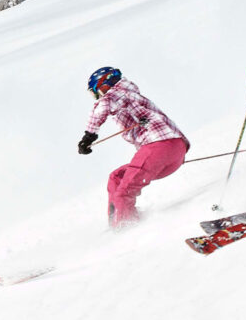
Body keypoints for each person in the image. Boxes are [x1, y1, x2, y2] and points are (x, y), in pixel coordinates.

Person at [78, 66, 190, 227]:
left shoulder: (115, 94)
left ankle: (124, 228)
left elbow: (102, 107)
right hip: (174, 150)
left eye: (95, 92)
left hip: (158, 146)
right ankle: (119, 220)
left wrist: (88, 136)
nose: (97, 97)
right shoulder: (129, 95)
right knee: (117, 177)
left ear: (104, 85)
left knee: (124, 192)